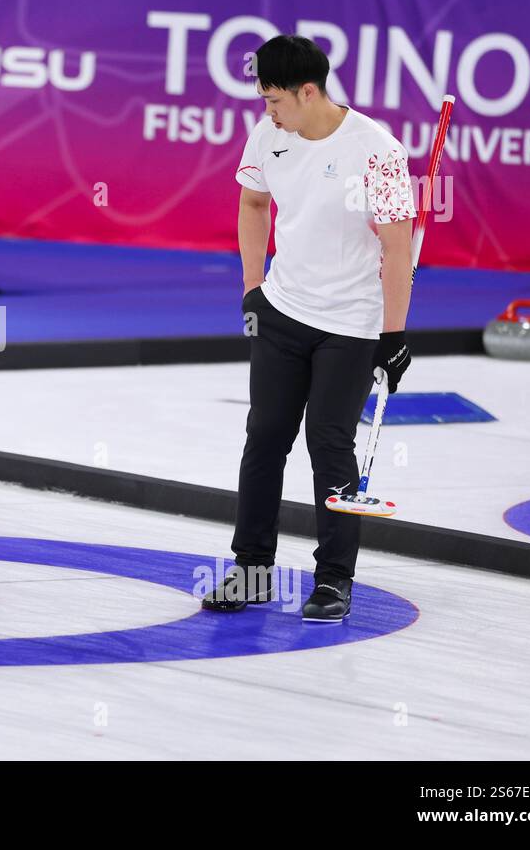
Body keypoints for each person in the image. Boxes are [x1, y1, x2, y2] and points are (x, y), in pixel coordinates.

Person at [202, 34, 416, 622]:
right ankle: (251, 569)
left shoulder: (376, 150)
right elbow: (252, 205)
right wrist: (252, 287)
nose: (266, 112)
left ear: (308, 91)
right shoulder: (270, 135)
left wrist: (393, 335)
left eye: (274, 100)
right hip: (283, 309)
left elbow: (398, 247)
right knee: (265, 437)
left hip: (351, 324)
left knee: (329, 443)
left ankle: (334, 580)